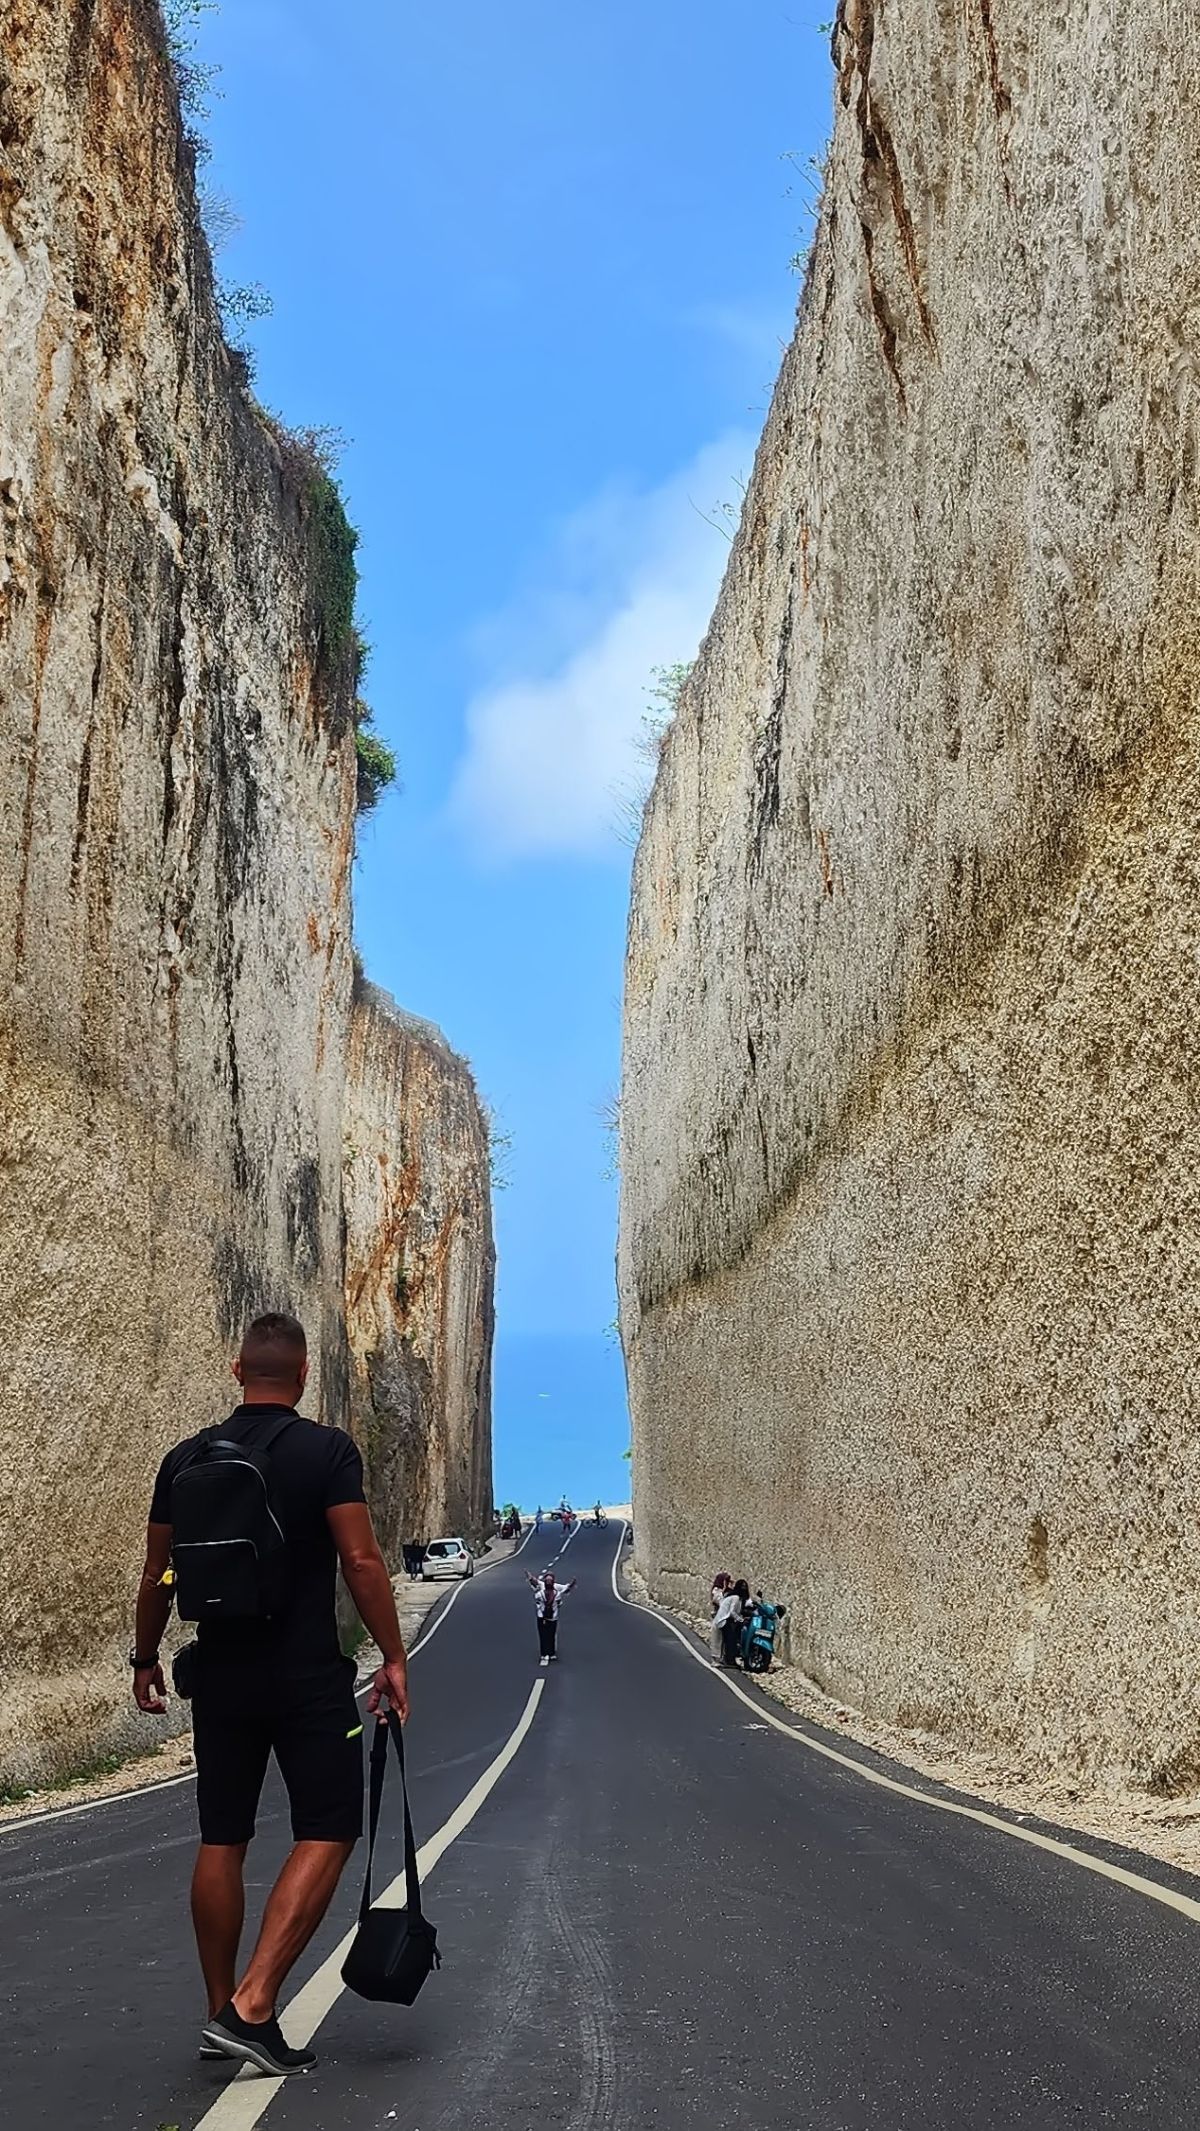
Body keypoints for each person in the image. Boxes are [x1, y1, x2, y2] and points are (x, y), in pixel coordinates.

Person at [131, 1312, 411, 2080]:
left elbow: (158, 1572)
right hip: (304, 1675)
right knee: (329, 1827)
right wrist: (392, 1656)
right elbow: (361, 1560)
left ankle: (219, 2011)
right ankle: (251, 2007)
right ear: (304, 1374)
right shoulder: (326, 1451)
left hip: (219, 1673)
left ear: (237, 1370)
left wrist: (144, 1657)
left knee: (222, 1837)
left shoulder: (185, 1458)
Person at [527, 1568, 576, 1661]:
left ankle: (544, 1653)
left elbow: (537, 1600)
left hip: (541, 1617)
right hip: (553, 1618)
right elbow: (560, 1602)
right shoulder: (557, 1594)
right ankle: (551, 1653)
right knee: (551, 1635)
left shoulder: (539, 1594)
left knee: (542, 1635)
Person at [711, 1579, 750, 1666]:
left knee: (725, 1640)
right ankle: (727, 1660)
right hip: (723, 1620)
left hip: (722, 1620)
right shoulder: (736, 1598)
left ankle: (725, 1659)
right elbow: (732, 1612)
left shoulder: (735, 1597)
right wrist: (741, 1620)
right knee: (730, 1641)